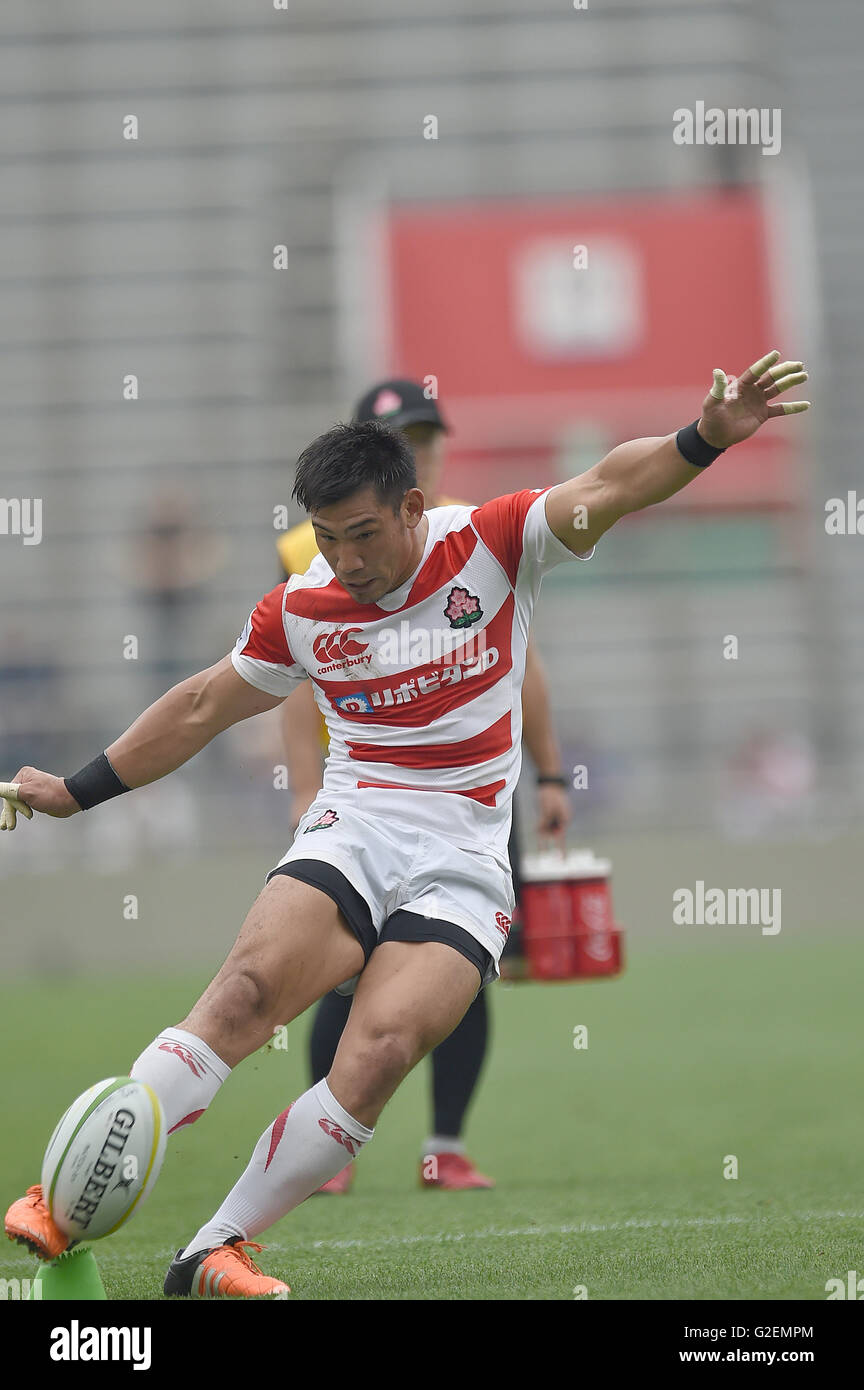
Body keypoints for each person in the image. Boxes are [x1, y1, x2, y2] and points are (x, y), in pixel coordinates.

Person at [2, 350, 809, 1297]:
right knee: (242, 998)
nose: (345, 559)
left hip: (467, 852)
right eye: (326, 537)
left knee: (378, 1052)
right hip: (358, 822)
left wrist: (707, 435)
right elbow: (196, 708)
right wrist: (76, 788)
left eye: (362, 534)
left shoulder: (496, 542)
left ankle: (211, 1251)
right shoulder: (301, 608)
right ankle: (57, 1201)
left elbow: (613, 484)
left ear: (413, 510)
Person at [277, 379, 571, 1193]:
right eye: (407, 435)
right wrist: (304, 792)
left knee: (467, 966)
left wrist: (548, 771)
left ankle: (445, 1145)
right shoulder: (315, 549)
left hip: (472, 789)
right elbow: (290, 682)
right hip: (365, 796)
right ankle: (322, 1150)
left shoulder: (481, 532)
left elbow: (526, 665)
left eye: (430, 436)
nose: (428, 449)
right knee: (345, 965)